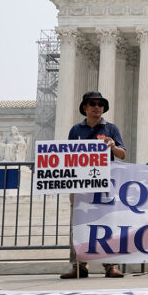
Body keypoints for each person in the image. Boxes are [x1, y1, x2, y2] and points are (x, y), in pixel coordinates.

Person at [60, 91, 126, 279]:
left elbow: (122, 154)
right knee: (78, 226)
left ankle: (111, 265)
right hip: (81, 186)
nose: (97, 107)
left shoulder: (111, 129)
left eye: (100, 104)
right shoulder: (75, 131)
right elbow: (68, 156)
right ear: (85, 108)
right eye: (92, 103)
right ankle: (79, 265)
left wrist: (112, 146)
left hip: (105, 185)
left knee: (108, 224)